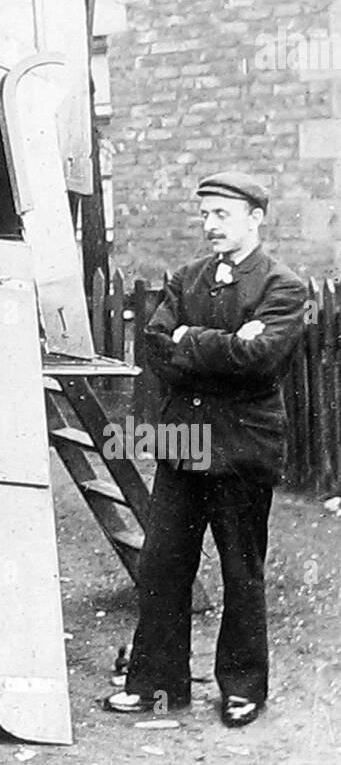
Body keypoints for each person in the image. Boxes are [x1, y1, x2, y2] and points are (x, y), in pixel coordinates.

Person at [104, 171, 306, 727]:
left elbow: (262, 359)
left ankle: (243, 688)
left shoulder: (283, 286)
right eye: (205, 215)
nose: (210, 225)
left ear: (254, 217)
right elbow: (157, 347)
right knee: (164, 564)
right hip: (182, 444)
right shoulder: (185, 277)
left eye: (222, 214)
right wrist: (218, 344)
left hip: (242, 449)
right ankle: (156, 683)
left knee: (242, 570)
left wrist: (190, 341)